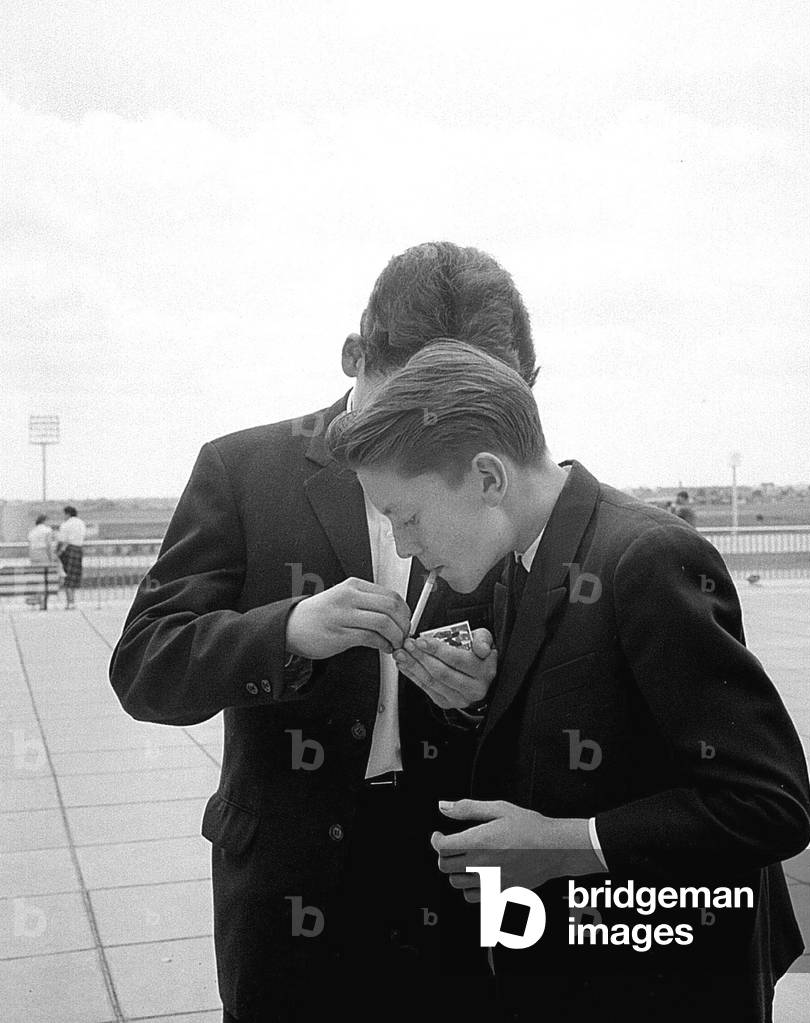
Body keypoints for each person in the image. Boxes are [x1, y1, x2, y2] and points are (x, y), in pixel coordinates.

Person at [109, 242, 540, 1021]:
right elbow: (144, 665)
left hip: (450, 871)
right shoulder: (242, 470)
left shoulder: (493, 477)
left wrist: (480, 689)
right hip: (285, 874)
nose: (424, 436)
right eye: (404, 403)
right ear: (352, 357)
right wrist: (288, 632)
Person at [327, 341, 810, 1022]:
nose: (403, 548)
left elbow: (768, 803)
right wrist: (472, 701)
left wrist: (561, 843)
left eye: (407, 517)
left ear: (489, 477)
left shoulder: (645, 557)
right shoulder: (516, 556)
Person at [56, 505, 86, 609]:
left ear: (67, 513)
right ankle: (73, 601)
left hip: (69, 550)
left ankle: (69, 602)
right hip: (79, 549)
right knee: (75, 577)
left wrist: (58, 553)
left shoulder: (66, 524)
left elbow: (62, 540)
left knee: (67, 577)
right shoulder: (81, 523)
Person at [26, 513, 59, 607]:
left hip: (33, 556)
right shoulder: (47, 530)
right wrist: (52, 558)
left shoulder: (32, 531)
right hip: (44, 555)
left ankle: (37, 600)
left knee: (37, 579)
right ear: (44, 521)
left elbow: (30, 546)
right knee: (45, 580)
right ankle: (43, 603)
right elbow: (48, 546)